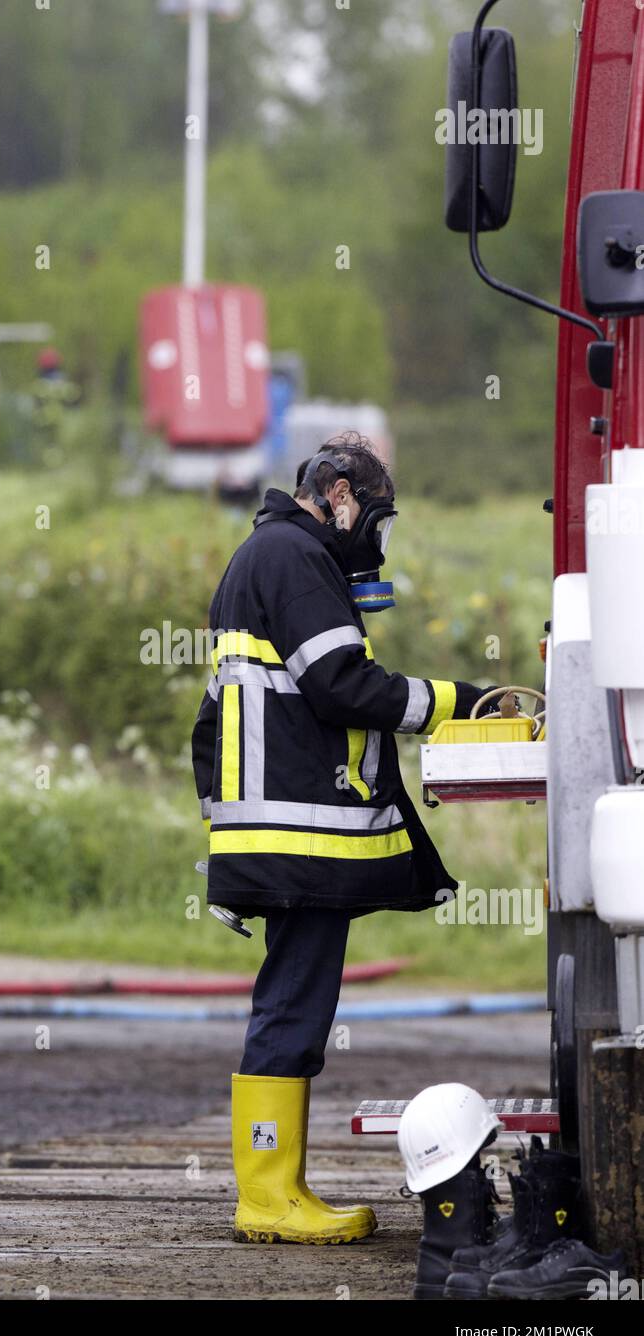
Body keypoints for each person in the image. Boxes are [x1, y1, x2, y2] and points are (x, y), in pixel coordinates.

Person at [191, 432, 498, 1244]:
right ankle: (266, 1196)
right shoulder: (293, 559)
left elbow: (211, 721)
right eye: (376, 518)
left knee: (296, 1001)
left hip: (280, 830)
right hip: (298, 835)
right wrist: (460, 701)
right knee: (293, 1006)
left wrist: (221, 831)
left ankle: (279, 1185)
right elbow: (342, 685)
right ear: (337, 492)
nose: (375, 539)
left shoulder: (270, 555)